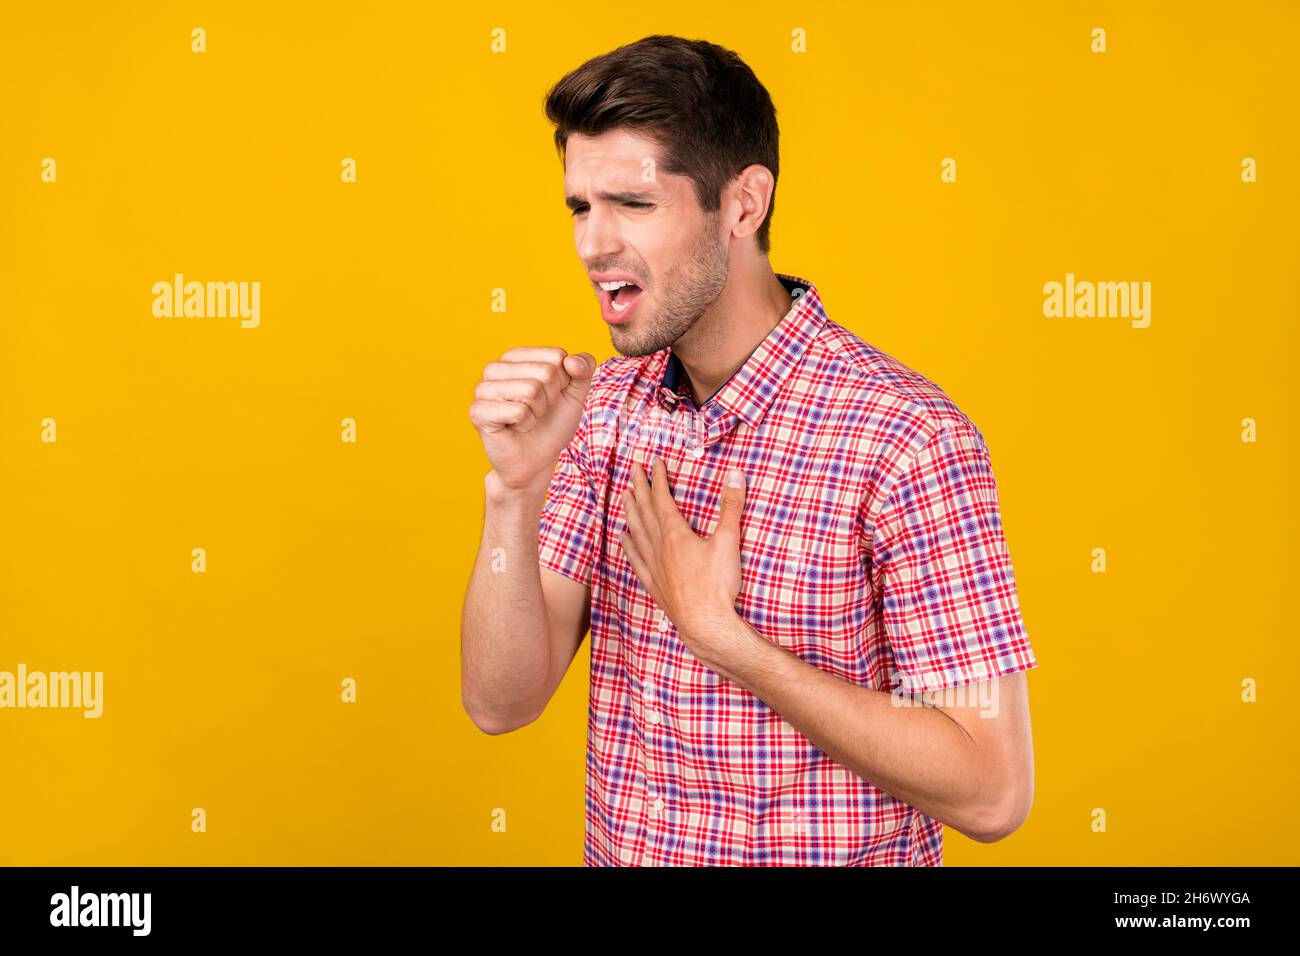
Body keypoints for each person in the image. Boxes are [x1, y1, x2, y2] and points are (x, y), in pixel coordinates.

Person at [462, 34, 1039, 866]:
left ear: (742, 204)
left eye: (633, 202)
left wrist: (724, 639)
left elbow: (992, 788)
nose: (592, 246)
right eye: (581, 208)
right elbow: (499, 701)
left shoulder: (906, 438)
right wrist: (515, 494)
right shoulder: (603, 413)